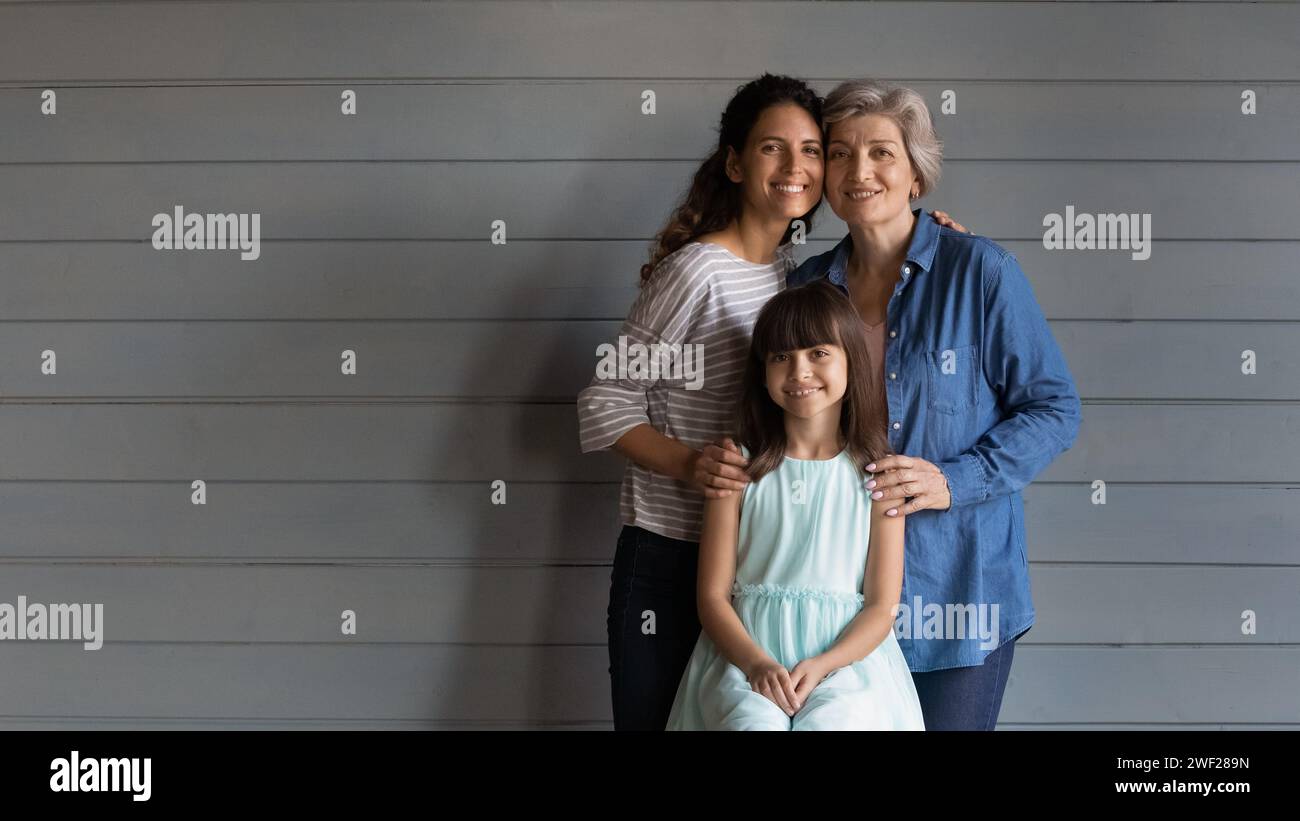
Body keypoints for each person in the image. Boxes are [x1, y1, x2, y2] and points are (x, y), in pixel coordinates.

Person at [576, 73, 966, 731]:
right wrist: (691, 464)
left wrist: (926, 235)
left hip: (762, 565)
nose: (797, 167)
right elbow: (601, 405)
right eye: (771, 148)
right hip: (674, 557)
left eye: (814, 149)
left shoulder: (797, 271)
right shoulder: (695, 272)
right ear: (733, 162)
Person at [705, 78, 1083, 730]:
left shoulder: (982, 272)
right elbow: (775, 415)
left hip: (956, 595)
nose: (860, 170)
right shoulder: (805, 284)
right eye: (842, 153)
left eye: (882, 152)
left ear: (917, 174)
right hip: (832, 606)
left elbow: (1055, 408)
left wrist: (952, 479)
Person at [665, 280, 924, 730]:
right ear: (762, 371)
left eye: (818, 353)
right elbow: (711, 596)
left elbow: (882, 606)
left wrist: (825, 664)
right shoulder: (737, 468)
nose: (799, 371)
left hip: (846, 662)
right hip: (746, 656)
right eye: (781, 357)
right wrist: (756, 664)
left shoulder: (879, 475)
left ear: (851, 361)